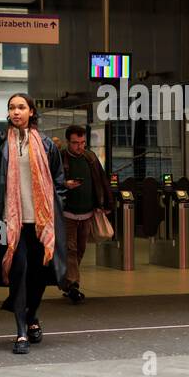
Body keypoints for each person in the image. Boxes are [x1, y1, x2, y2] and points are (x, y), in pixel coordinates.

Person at [0, 93, 67, 354]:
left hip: (41, 222)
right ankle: (20, 331)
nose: (16, 111)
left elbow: (58, 182)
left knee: (39, 274)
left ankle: (32, 316)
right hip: (11, 222)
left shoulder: (46, 144)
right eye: (11, 107)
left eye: (21, 107)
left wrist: (55, 212)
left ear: (32, 111)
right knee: (18, 271)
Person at [58, 124, 112, 303]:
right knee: (70, 249)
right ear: (68, 142)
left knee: (80, 249)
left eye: (82, 143)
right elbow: (51, 181)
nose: (80, 147)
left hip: (87, 213)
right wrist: (65, 184)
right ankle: (73, 285)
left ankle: (68, 282)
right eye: (75, 143)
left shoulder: (90, 158)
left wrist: (105, 203)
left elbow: (101, 180)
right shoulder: (60, 158)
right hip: (67, 214)